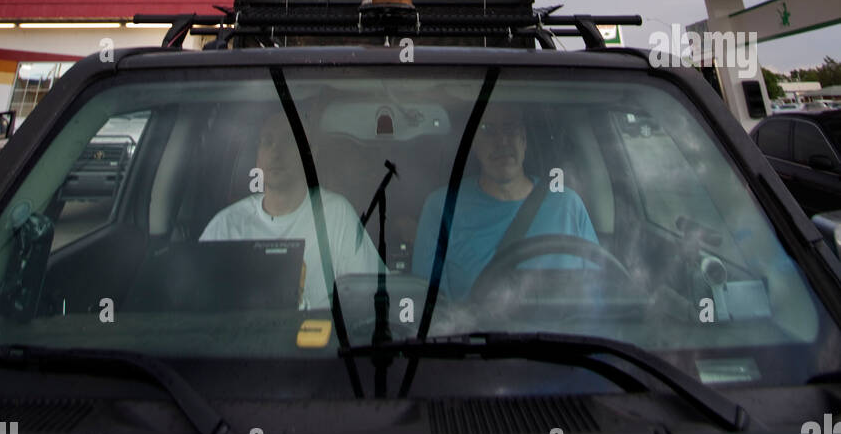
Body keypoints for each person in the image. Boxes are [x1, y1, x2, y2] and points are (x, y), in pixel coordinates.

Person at [200, 104, 383, 309]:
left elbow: (375, 298)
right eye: (267, 142)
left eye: (289, 141)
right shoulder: (226, 225)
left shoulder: (336, 214)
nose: (276, 152)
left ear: (310, 155)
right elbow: (198, 307)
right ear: (258, 157)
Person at [412, 103, 598, 300]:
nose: (501, 141)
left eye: (510, 128)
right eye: (487, 130)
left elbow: (597, 294)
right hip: (472, 329)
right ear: (474, 143)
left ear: (524, 139)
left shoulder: (568, 205)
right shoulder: (443, 207)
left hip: (566, 330)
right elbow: (429, 304)